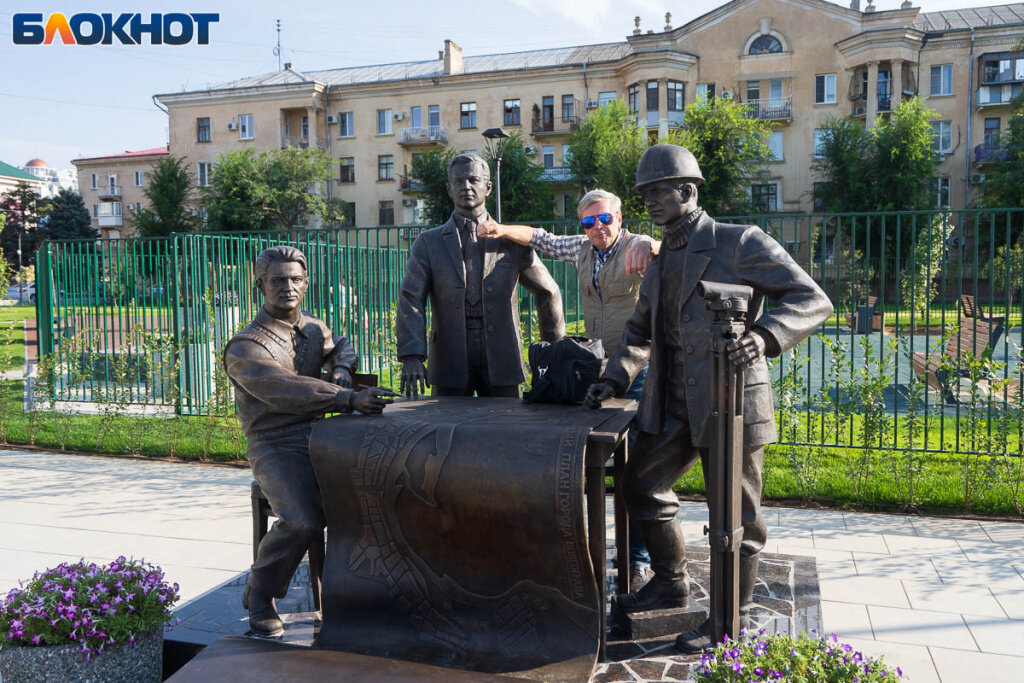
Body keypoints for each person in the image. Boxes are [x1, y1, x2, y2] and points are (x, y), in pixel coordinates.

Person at [584, 144, 833, 653]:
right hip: (673, 399)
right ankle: (671, 580)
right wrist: (613, 379)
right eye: (645, 193)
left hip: (731, 398)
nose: (652, 201)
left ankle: (729, 620)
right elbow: (638, 330)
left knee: (737, 518)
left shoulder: (737, 241)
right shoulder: (660, 257)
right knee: (641, 484)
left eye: (660, 191)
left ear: (688, 191)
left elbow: (812, 298)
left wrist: (764, 336)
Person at [476, 189, 660, 592]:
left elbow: (670, 253)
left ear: (620, 217)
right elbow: (539, 238)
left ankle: (641, 561)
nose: (598, 229)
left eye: (605, 220)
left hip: (643, 370)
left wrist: (650, 243)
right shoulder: (582, 248)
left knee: (644, 468)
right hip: (601, 370)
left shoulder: (637, 248)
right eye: (589, 222)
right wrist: (500, 228)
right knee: (588, 460)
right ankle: (587, 550)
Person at [224, 246, 396, 636]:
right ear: (260, 285)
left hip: (324, 436)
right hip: (275, 442)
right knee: (303, 520)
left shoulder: (315, 329)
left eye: (295, 279)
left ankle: (358, 589)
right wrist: (345, 397)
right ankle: (261, 593)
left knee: (384, 492)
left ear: (306, 283)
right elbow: (287, 388)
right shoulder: (245, 346)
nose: (288, 287)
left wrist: (340, 368)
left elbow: (343, 347)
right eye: (278, 280)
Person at [396, 153, 565, 398]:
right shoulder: (428, 243)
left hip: (503, 358)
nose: (466, 186)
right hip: (449, 361)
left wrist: (555, 352)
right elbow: (411, 299)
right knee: (443, 433)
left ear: (488, 187)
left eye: (474, 180)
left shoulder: (512, 241)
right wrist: (412, 355)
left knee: (503, 430)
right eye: (458, 181)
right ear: (449, 188)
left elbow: (548, 291)